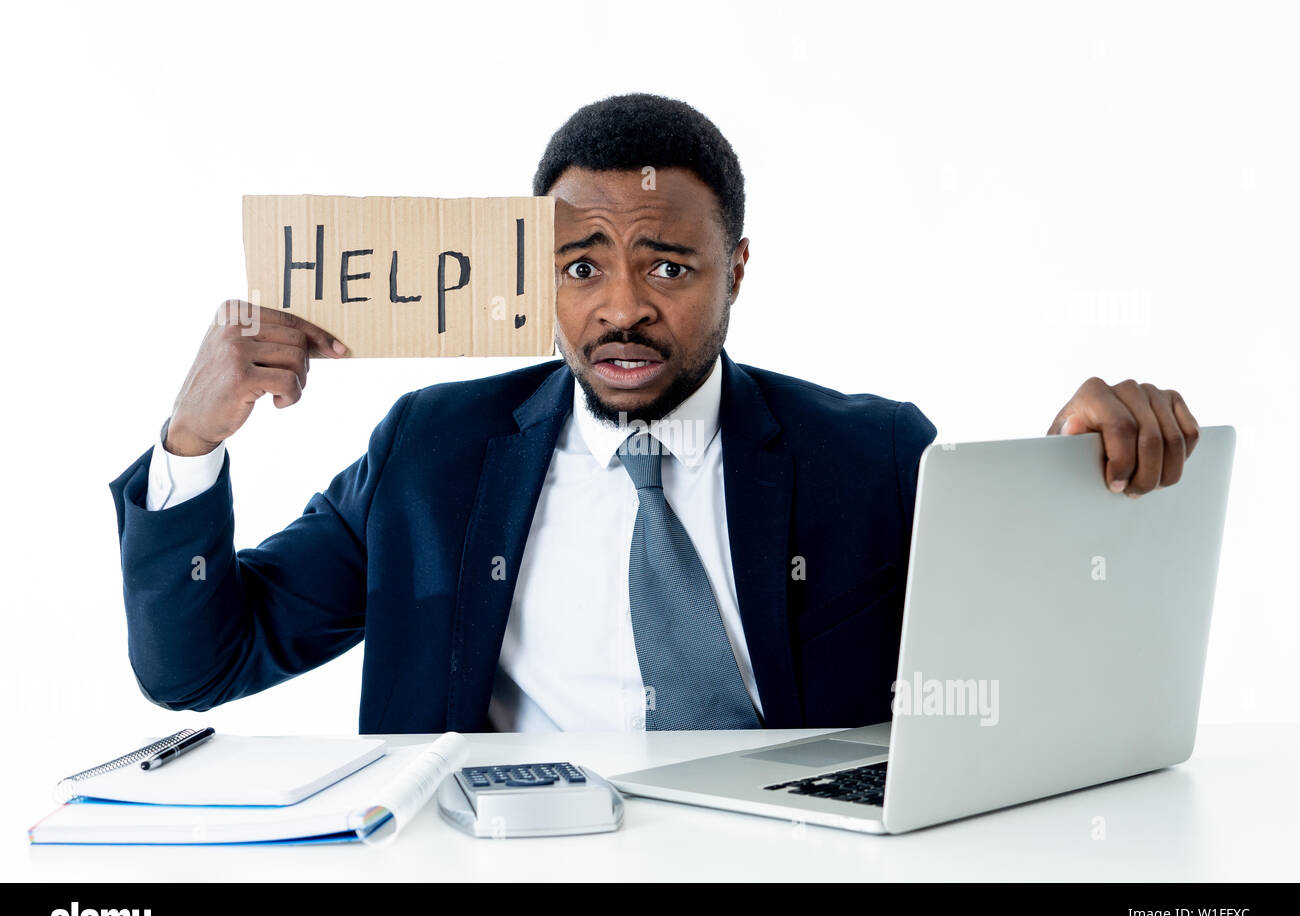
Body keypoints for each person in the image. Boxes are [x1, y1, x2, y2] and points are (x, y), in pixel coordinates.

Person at [109, 93, 1201, 733]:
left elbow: (1031, 686)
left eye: (669, 266)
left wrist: (1074, 492)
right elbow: (200, 666)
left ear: (737, 270)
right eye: (581, 266)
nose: (621, 307)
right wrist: (191, 443)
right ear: (535, 274)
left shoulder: (871, 456)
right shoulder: (430, 456)